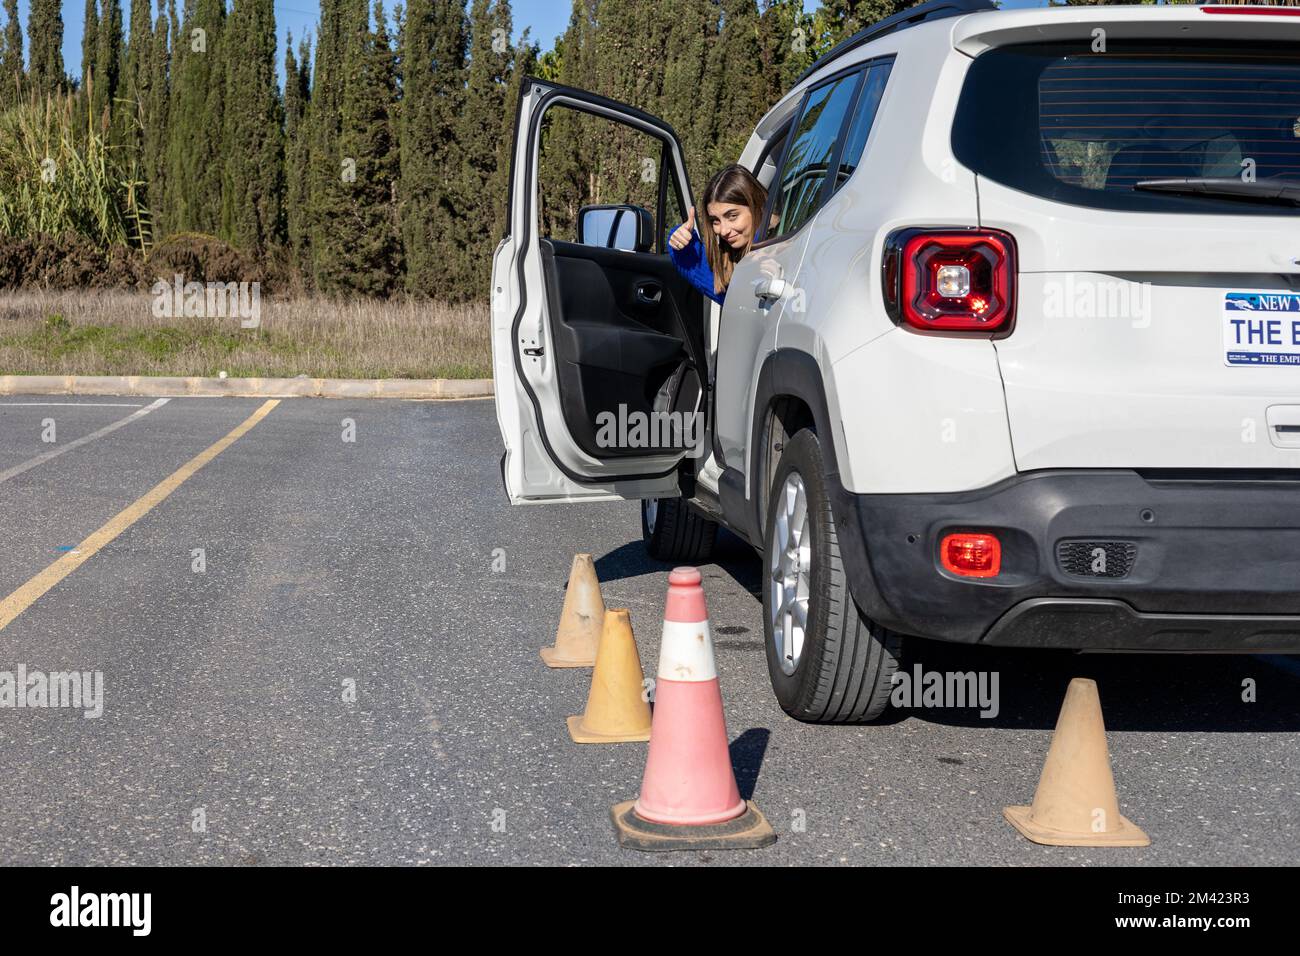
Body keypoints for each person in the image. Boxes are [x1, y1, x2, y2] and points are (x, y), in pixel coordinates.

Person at [667, 164, 769, 306]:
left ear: (757, 206)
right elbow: (697, 267)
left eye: (732, 216)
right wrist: (681, 243)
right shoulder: (729, 265)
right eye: (715, 221)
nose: (723, 230)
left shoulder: (782, 246)